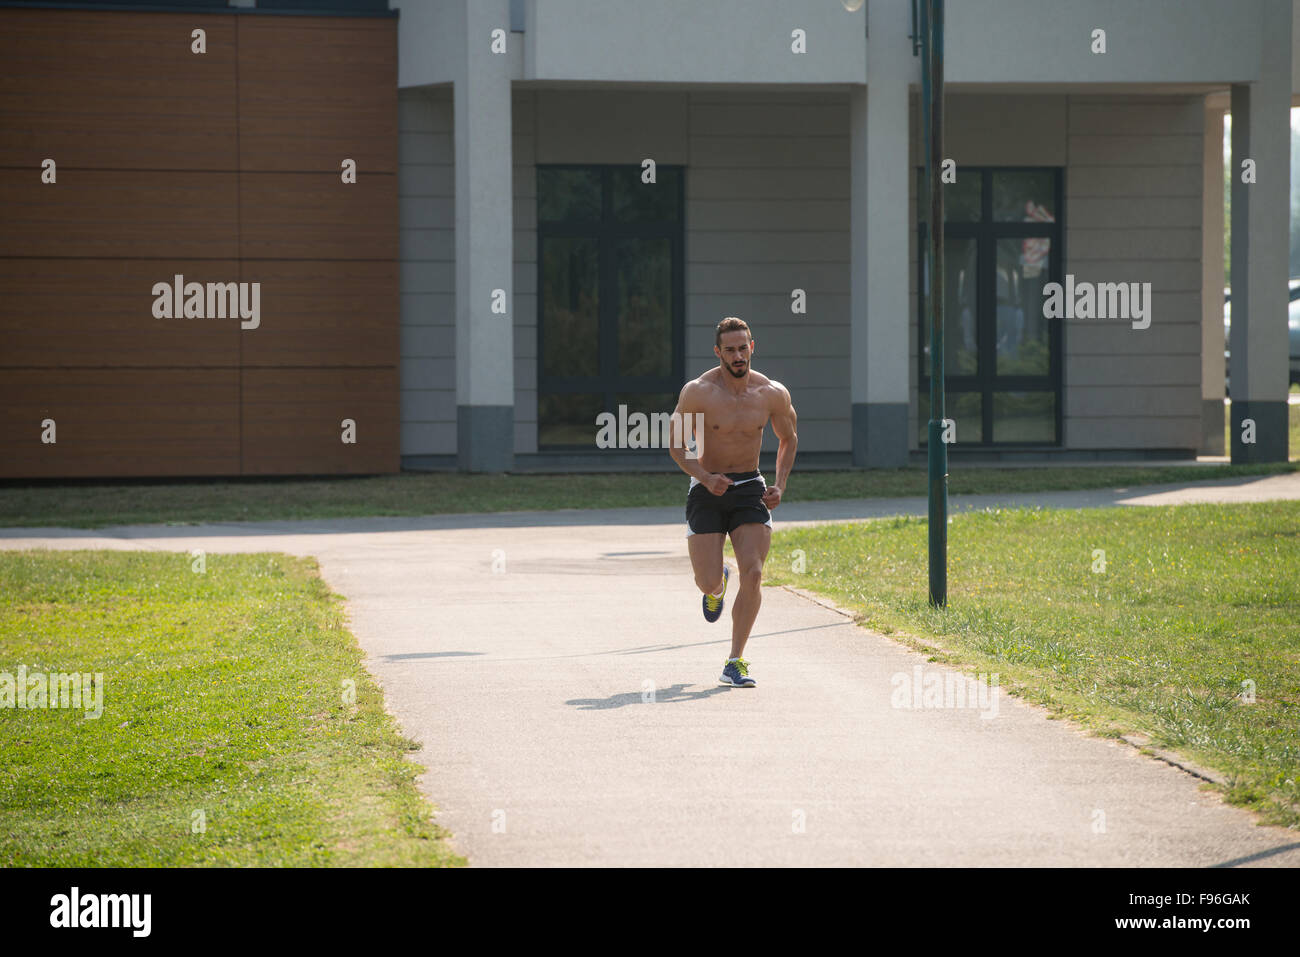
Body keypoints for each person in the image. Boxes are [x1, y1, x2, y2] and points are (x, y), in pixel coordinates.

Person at [668, 317, 798, 688]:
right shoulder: (698, 392)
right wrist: (706, 477)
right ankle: (717, 587)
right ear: (718, 353)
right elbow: (676, 445)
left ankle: (735, 660)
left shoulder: (772, 393)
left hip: (749, 487)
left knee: (754, 573)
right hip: (707, 489)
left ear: (752, 347)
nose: (738, 356)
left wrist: (779, 485)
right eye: (730, 350)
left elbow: (789, 438)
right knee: (707, 582)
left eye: (743, 348)